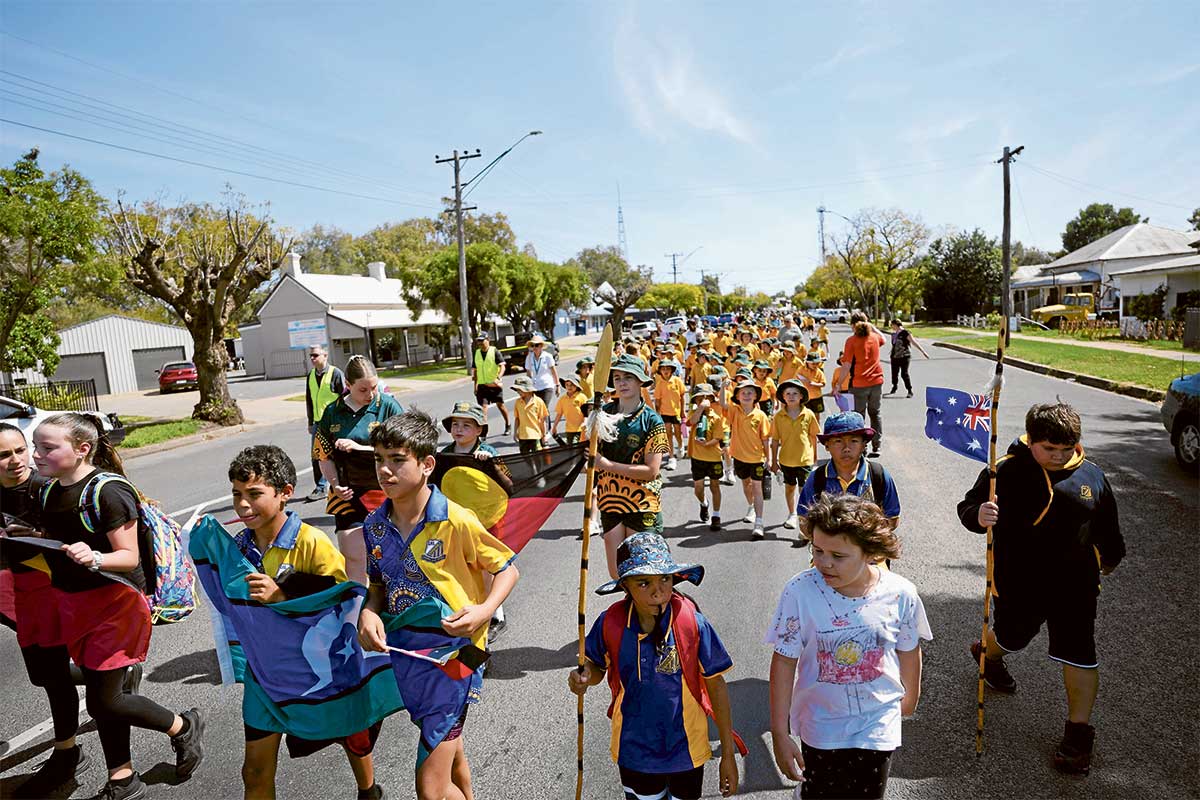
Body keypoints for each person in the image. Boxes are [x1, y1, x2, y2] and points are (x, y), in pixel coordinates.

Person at [30, 413, 204, 800]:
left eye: (47, 447)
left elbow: (128, 557)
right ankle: (122, 778)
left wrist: (93, 557)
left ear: (82, 450)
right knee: (103, 695)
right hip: (76, 604)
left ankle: (183, 726)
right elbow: (54, 539)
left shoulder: (107, 492)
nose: (36, 455)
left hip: (117, 604)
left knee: (104, 700)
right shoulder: (46, 490)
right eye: (35, 447)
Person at [357, 411, 518, 800]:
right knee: (451, 752)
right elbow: (377, 586)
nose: (385, 470)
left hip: (456, 658)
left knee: (430, 788)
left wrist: (483, 611)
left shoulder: (456, 519)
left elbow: (507, 569)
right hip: (407, 655)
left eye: (397, 459)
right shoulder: (374, 526)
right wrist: (367, 612)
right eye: (379, 458)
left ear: (427, 464)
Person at [957, 402, 1124, 775]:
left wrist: (1110, 558)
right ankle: (988, 653)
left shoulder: (1092, 476)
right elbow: (968, 506)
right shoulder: (1004, 471)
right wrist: (978, 515)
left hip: (1076, 586)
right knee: (1013, 637)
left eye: (1067, 449)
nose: (1059, 456)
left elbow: (1107, 526)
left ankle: (1078, 734)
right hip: (1018, 581)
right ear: (1031, 440)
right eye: (1050, 449)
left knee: (1080, 652)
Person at [227, 445, 382, 800]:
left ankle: (369, 790)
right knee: (254, 770)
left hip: (318, 671)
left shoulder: (311, 541)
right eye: (236, 494)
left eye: (254, 494)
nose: (243, 505)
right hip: (265, 675)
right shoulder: (238, 546)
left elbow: (339, 602)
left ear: (285, 494)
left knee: (352, 736)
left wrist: (284, 594)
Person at [766, 493, 931, 800]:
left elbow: (908, 648)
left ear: (870, 552)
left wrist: (910, 699)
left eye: (838, 556)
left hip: (878, 721)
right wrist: (779, 732)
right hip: (821, 724)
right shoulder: (799, 591)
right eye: (817, 551)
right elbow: (784, 660)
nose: (824, 563)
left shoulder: (901, 593)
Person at [3, 422, 133, 799]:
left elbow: (107, 546)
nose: (16, 461)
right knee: (44, 674)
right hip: (19, 591)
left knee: (65, 679)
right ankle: (116, 683)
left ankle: (68, 753)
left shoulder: (45, 487)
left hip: (58, 591)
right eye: (3, 455)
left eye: (19, 451)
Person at [569, 533, 740, 800]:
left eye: (665, 578)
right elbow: (596, 667)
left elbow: (716, 685)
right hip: (635, 751)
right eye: (644, 582)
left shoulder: (692, 623)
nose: (658, 590)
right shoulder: (610, 623)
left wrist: (728, 754)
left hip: (687, 750)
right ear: (625, 586)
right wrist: (583, 678)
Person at [314, 355, 404, 585]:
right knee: (352, 553)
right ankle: (359, 607)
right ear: (348, 384)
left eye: (374, 387)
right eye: (363, 389)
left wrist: (362, 447)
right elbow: (323, 455)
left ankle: (392, 602)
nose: (370, 394)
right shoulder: (332, 412)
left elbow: (406, 447)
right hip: (348, 493)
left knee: (388, 555)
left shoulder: (388, 406)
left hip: (387, 492)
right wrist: (334, 484)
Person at [596, 355, 670, 579]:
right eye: (617, 378)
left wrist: (607, 465)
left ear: (641, 382)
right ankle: (628, 612)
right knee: (617, 574)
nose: (622, 383)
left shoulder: (652, 421)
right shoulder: (601, 414)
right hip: (610, 500)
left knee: (644, 572)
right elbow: (588, 461)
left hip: (643, 502)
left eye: (628, 377)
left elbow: (651, 471)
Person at [795, 412, 901, 545]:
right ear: (827, 446)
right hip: (830, 557)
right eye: (838, 441)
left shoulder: (877, 475)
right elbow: (804, 522)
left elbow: (892, 519)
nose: (846, 448)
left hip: (869, 554)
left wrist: (863, 540)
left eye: (854, 441)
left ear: (863, 445)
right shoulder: (817, 478)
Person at [723, 380, 771, 540]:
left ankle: (759, 522)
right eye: (743, 392)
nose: (746, 395)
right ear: (737, 396)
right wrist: (723, 388)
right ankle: (751, 506)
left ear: (756, 396)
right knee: (745, 484)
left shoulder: (761, 415)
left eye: (750, 392)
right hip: (739, 456)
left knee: (757, 488)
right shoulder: (734, 411)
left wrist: (769, 458)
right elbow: (723, 404)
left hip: (757, 458)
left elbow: (765, 439)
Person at [770, 381, 820, 533]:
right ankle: (792, 513)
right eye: (788, 394)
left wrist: (814, 459)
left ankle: (804, 519)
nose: (791, 396)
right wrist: (773, 462)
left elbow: (813, 437)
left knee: (804, 490)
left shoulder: (808, 414)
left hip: (804, 459)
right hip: (786, 460)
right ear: (783, 397)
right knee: (790, 488)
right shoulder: (779, 416)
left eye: (795, 393)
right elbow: (775, 441)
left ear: (801, 397)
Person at [840, 313, 886, 458]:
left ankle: (862, 446)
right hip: (876, 381)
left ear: (853, 325)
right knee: (875, 413)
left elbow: (847, 364)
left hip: (859, 383)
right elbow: (884, 338)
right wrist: (873, 328)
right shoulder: (874, 338)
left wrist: (839, 384)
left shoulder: (851, 341)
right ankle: (876, 445)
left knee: (859, 416)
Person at [304, 345, 346, 501]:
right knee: (317, 456)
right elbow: (309, 400)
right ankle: (321, 487)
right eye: (311, 356)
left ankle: (341, 483)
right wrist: (310, 421)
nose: (313, 359)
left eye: (315, 355)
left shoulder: (335, 373)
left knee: (338, 453)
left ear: (325, 355)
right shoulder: (311, 375)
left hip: (334, 422)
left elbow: (345, 397)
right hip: (318, 422)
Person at [686, 385, 728, 532]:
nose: (704, 400)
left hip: (713, 457)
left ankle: (716, 516)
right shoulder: (694, 412)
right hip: (697, 458)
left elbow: (718, 437)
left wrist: (706, 444)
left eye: (706, 398)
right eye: (700, 398)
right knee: (698, 488)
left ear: (711, 399)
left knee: (715, 486)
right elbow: (690, 422)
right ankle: (704, 504)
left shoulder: (716, 417)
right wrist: (700, 408)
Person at [469, 332, 511, 436]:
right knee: (483, 408)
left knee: (500, 405)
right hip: (482, 386)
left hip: (494, 385)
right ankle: (484, 431)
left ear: (488, 340)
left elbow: (503, 366)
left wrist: (498, 377)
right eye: (478, 341)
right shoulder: (477, 353)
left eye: (482, 341)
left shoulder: (494, 351)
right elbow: (475, 371)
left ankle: (508, 424)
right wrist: (475, 386)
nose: (480, 343)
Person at [654, 360, 687, 468]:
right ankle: (671, 457)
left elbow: (682, 396)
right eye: (663, 369)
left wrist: (682, 411)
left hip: (676, 412)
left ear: (672, 370)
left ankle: (681, 446)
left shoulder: (677, 381)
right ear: (660, 371)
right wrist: (657, 414)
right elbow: (657, 400)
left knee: (678, 433)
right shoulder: (659, 384)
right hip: (664, 413)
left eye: (668, 369)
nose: (665, 371)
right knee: (668, 434)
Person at [884, 320, 930, 399]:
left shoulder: (905, 333)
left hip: (904, 356)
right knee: (894, 374)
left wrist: (923, 352)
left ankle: (909, 390)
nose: (891, 327)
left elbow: (913, 342)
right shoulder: (893, 334)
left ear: (896, 325)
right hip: (894, 357)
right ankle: (894, 386)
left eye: (892, 325)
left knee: (904, 374)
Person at [512, 375, 551, 455]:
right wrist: (515, 432)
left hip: (535, 435)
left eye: (520, 390)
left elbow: (542, 420)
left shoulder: (538, 401)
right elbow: (517, 419)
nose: (518, 392)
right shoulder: (518, 402)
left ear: (528, 389)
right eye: (517, 390)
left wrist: (544, 436)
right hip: (523, 436)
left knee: (538, 457)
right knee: (525, 457)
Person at [523, 334, 560, 411]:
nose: (534, 348)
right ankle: (542, 423)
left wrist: (557, 385)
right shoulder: (529, 357)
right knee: (537, 409)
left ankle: (546, 423)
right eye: (532, 345)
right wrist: (527, 388)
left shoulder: (547, 356)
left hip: (547, 386)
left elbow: (553, 372)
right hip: (535, 387)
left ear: (541, 346)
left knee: (544, 408)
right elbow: (528, 373)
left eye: (536, 345)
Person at [552, 375, 587, 446]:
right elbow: (559, 414)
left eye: (572, 385)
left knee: (578, 447)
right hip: (569, 429)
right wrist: (554, 426)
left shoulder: (582, 397)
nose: (569, 387)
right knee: (572, 448)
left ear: (577, 386)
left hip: (581, 429)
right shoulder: (563, 399)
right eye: (567, 385)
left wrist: (586, 423)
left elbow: (587, 413)